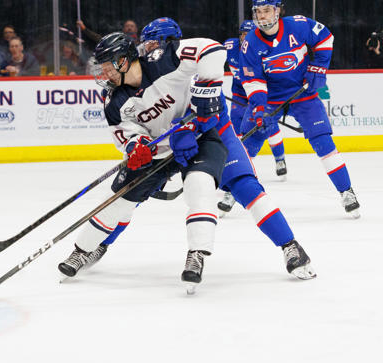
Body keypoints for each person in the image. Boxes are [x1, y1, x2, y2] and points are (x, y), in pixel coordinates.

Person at [64, 18, 316, 283]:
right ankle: (97, 245)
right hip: (167, 143)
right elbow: (129, 127)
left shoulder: (183, 62)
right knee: (129, 194)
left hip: (212, 134)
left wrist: (195, 122)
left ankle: (290, 246)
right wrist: (136, 145)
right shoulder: (137, 83)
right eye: (145, 44)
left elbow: (210, 103)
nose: (148, 49)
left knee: (245, 186)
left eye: (154, 43)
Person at [56, 30, 229, 293]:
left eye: (107, 66)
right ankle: (81, 252)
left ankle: (197, 255)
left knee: (199, 185)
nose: (105, 73)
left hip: (197, 136)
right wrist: (135, 147)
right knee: (118, 202)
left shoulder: (162, 60)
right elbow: (125, 133)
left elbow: (212, 48)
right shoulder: (114, 100)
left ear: (124, 61)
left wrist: (207, 93)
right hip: (158, 150)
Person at [240, 0, 360, 217]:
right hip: (270, 97)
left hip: (301, 93)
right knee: (249, 142)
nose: (262, 16)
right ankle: (232, 190)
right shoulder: (250, 43)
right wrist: (258, 108)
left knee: (323, 140)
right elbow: (253, 80)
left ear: (277, 10)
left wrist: (319, 67)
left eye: (267, 10)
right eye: (258, 11)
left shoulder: (299, 25)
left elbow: (325, 38)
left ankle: (346, 191)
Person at [223, 20, 287, 186]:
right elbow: (212, 61)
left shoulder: (263, 49)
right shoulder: (230, 47)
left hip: (260, 93)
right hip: (239, 93)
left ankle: (280, 158)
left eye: (249, 34)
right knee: (236, 129)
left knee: (268, 125)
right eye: (243, 34)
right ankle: (239, 166)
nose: (246, 37)